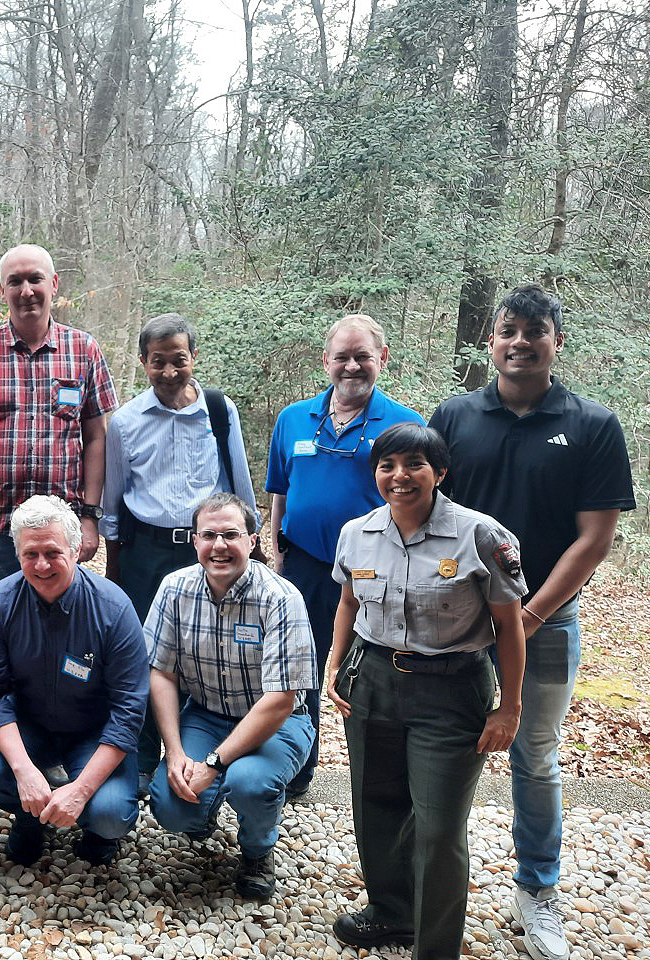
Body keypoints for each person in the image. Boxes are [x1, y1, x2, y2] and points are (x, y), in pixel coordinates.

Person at [428, 283, 635, 960]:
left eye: (534, 332)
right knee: (438, 745)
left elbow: (595, 538)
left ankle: (538, 889)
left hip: (547, 621)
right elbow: (429, 518)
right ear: (491, 342)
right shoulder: (454, 417)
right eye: (508, 330)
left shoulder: (594, 424)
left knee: (536, 756)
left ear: (557, 343)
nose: (520, 342)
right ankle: (422, 886)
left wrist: (530, 614)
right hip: (455, 621)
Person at [326, 423, 527, 960]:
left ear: (439, 473)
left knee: (439, 828)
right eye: (387, 465)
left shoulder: (481, 535)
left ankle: (435, 949)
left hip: (451, 690)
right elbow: (349, 602)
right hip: (373, 683)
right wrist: (334, 663)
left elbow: (509, 626)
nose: (399, 476)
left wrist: (509, 707)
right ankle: (392, 914)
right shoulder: (357, 533)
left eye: (414, 464)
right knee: (375, 805)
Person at [265, 314, 423, 796]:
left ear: (383, 359)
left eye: (362, 357)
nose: (351, 366)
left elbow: (420, 500)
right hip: (306, 564)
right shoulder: (294, 418)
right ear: (325, 361)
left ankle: (378, 780)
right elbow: (279, 491)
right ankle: (298, 767)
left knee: (372, 669)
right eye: (342, 357)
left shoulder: (405, 424)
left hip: (378, 568)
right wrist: (275, 551)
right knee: (302, 665)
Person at [101, 313, 258, 791]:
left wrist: (250, 538)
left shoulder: (217, 409)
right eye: (157, 362)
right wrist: (115, 562)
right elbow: (114, 494)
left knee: (208, 645)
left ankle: (204, 751)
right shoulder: (126, 421)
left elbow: (238, 480)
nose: (169, 372)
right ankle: (144, 753)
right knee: (146, 653)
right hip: (145, 550)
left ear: (194, 357)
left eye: (179, 360)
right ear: (144, 363)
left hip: (208, 547)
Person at [146, 492, 315, 899]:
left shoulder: (281, 598)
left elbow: (280, 700)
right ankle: (200, 816)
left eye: (231, 535)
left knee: (250, 783)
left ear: (252, 542)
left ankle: (258, 851)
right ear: (194, 541)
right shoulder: (174, 589)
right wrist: (176, 752)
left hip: (277, 721)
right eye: (209, 535)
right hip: (206, 714)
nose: (219, 545)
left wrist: (213, 762)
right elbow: (161, 672)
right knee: (170, 801)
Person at [0, 495, 147, 867]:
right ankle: (30, 817)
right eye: (30, 554)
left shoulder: (114, 609)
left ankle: (94, 828)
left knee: (111, 814)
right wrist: (24, 771)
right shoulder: (0, 603)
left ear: (77, 550)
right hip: (28, 728)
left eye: (53, 552)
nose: (42, 564)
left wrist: (81, 790)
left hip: (94, 734)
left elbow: (129, 709)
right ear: (16, 555)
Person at [0, 244, 118, 591]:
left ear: (54, 284)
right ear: (2, 291)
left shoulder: (83, 349)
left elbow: (97, 438)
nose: (26, 291)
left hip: (62, 527)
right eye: (15, 282)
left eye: (35, 279)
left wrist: (89, 516)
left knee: (63, 620)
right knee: (4, 620)